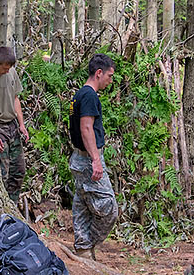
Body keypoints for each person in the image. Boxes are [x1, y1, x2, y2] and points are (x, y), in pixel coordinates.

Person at [70, 53, 119, 254]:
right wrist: (96, 160)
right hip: (88, 159)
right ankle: (87, 244)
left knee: (82, 204)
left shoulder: (80, 94)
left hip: (79, 158)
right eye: (109, 76)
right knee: (109, 208)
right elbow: (86, 128)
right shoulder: (89, 95)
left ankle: (82, 250)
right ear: (99, 73)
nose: (110, 80)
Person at [0, 46, 29, 206]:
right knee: (2, 174)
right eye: (4, 69)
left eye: (9, 69)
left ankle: (12, 206)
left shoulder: (11, 72)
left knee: (19, 171)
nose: (7, 72)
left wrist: (21, 124)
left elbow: (15, 99)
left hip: (12, 126)